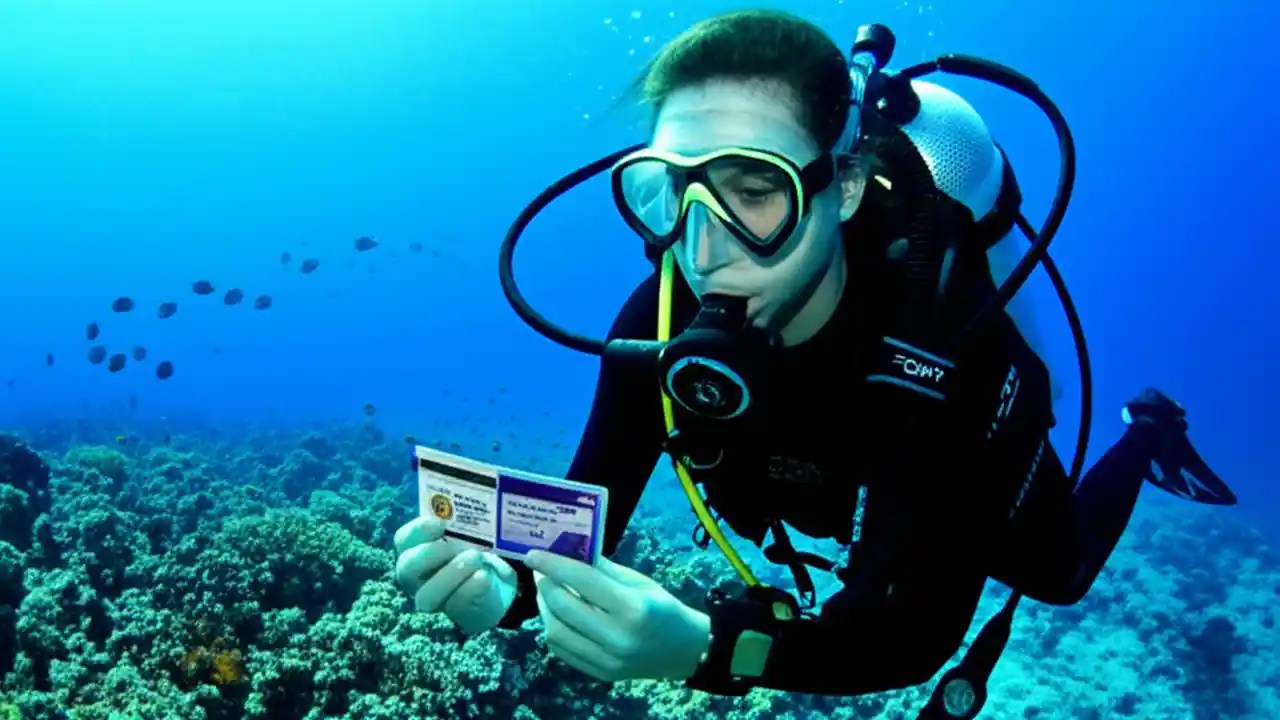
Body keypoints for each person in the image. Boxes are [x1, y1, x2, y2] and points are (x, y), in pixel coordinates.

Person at [394, 9, 1237, 718]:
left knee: (1059, 574)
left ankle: (1146, 432)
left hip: (949, 446)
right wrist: (504, 592)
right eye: (668, 193)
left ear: (842, 186)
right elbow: (585, 524)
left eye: (753, 190)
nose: (703, 249)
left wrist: (702, 649)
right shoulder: (655, 321)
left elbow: (911, 639)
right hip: (845, 485)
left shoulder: (936, 345)